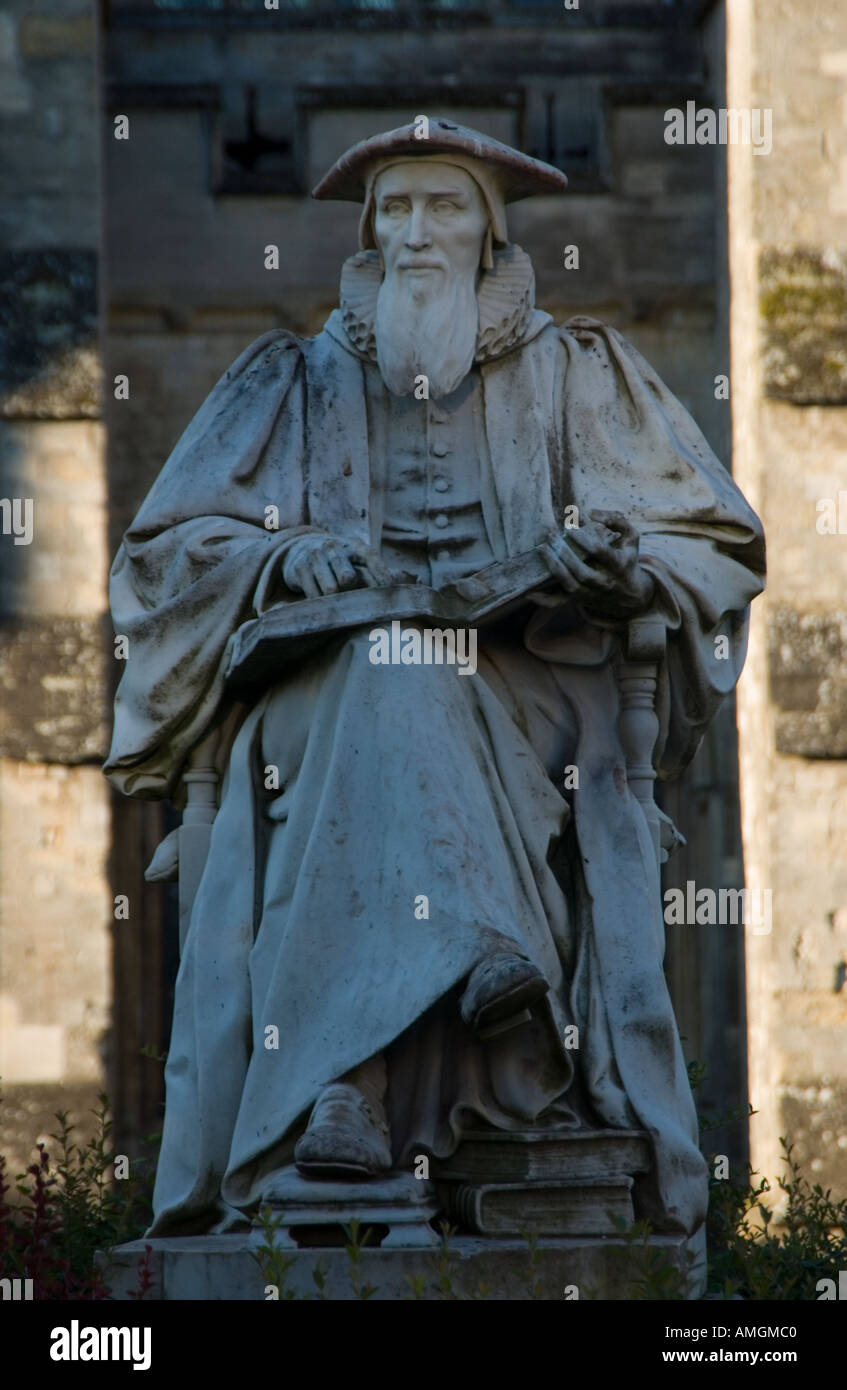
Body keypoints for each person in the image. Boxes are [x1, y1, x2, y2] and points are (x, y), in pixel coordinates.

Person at [104, 120, 765, 1237]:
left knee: (412, 665)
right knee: (389, 661)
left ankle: (348, 1094)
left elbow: (715, 541)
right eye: (396, 211)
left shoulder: (576, 372)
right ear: (368, 235)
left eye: (443, 208)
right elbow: (162, 557)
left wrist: (615, 562)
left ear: (487, 234)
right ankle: (481, 976)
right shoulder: (291, 379)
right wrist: (277, 556)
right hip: (315, 696)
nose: (417, 233)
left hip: (533, 696)